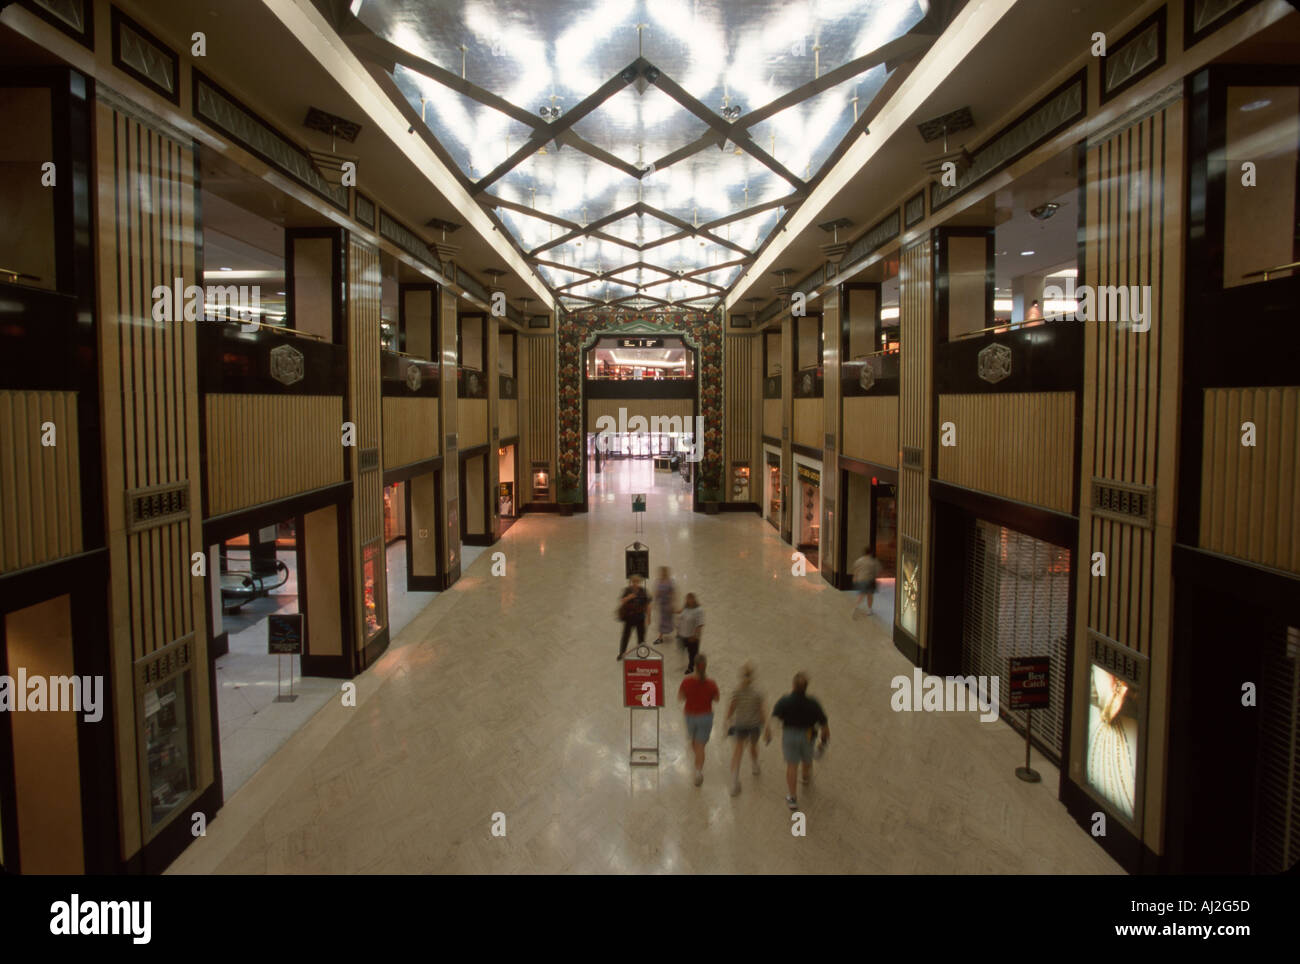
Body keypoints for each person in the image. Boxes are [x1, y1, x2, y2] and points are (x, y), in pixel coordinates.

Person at [765, 672, 830, 810]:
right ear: (806, 687)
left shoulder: (785, 701)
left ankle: (793, 798)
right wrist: (823, 741)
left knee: (792, 766)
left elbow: (774, 719)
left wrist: (768, 734)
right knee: (807, 759)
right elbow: (824, 725)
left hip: (790, 736)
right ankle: (805, 777)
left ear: (793, 685)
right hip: (808, 735)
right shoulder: (813, 703)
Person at [723, 662, 766, 797]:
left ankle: (734, 783)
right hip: (754, 726)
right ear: (753, 677)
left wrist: (727, 722)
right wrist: (766, 726)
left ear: (741, 676)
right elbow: (762, 712)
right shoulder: (758, 693)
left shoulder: (736, 692)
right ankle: (755, 766)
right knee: (753, 746)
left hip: (740, 725)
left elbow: (731, 710)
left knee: (737, 752)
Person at [677, 653, 720, 786]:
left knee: (694, 743)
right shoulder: (711, 684)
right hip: (705, 717)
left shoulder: (686, 682)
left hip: (690, 716)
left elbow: (680, 698)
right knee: (700, 746)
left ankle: (697, 761)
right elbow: (717, 699)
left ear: (695, 666)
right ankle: (698, 771)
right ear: (705, 666)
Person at [616, 574, 649, 660]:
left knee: (641, 637)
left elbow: (647, 604)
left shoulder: (643, 591)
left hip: (640, 617)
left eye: (637, 582)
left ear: (639, 582)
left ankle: (641, 653)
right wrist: (629, 597)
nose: (635, 584)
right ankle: (622, 653)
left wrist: (648, 617)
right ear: (631, 582)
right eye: (633, 582)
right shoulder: (627, 590)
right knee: (625, 636)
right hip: (629, 617)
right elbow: (622, 601)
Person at [676, 592, 704, 674]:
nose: (689, 601)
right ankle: (688, 663)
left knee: (693, 653)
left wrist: (695, 636)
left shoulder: (699, 610)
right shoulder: (686, 608)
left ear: (694, 600)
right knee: (682, 649)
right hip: (682, 635)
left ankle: (691, 667)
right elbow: (681, 616)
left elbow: (700, 625)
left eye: (691, 599)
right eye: (688, 599)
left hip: (692, 637)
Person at [851, 548, 880, 617]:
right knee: (870, 595)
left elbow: (856, 570)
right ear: (870, 553)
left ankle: (856, 607)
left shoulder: (859, 560)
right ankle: (869, 610)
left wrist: (855, 577)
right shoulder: (873, 561)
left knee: (861, 595)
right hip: (869, 580)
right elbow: (877, 571)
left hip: (861, 579)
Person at [651, 566, 677, 645]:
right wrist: (654, 602)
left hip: (668, 604)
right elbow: (657, 593)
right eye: (662, 572)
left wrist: (672, 603)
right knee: (662, 621)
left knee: (670, 620)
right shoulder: (659, 581)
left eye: (664, 572)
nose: (662, 573)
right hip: (662, 605)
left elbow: (673, 593)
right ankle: (660, 638)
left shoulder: (670, 582)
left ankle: (676, 634)